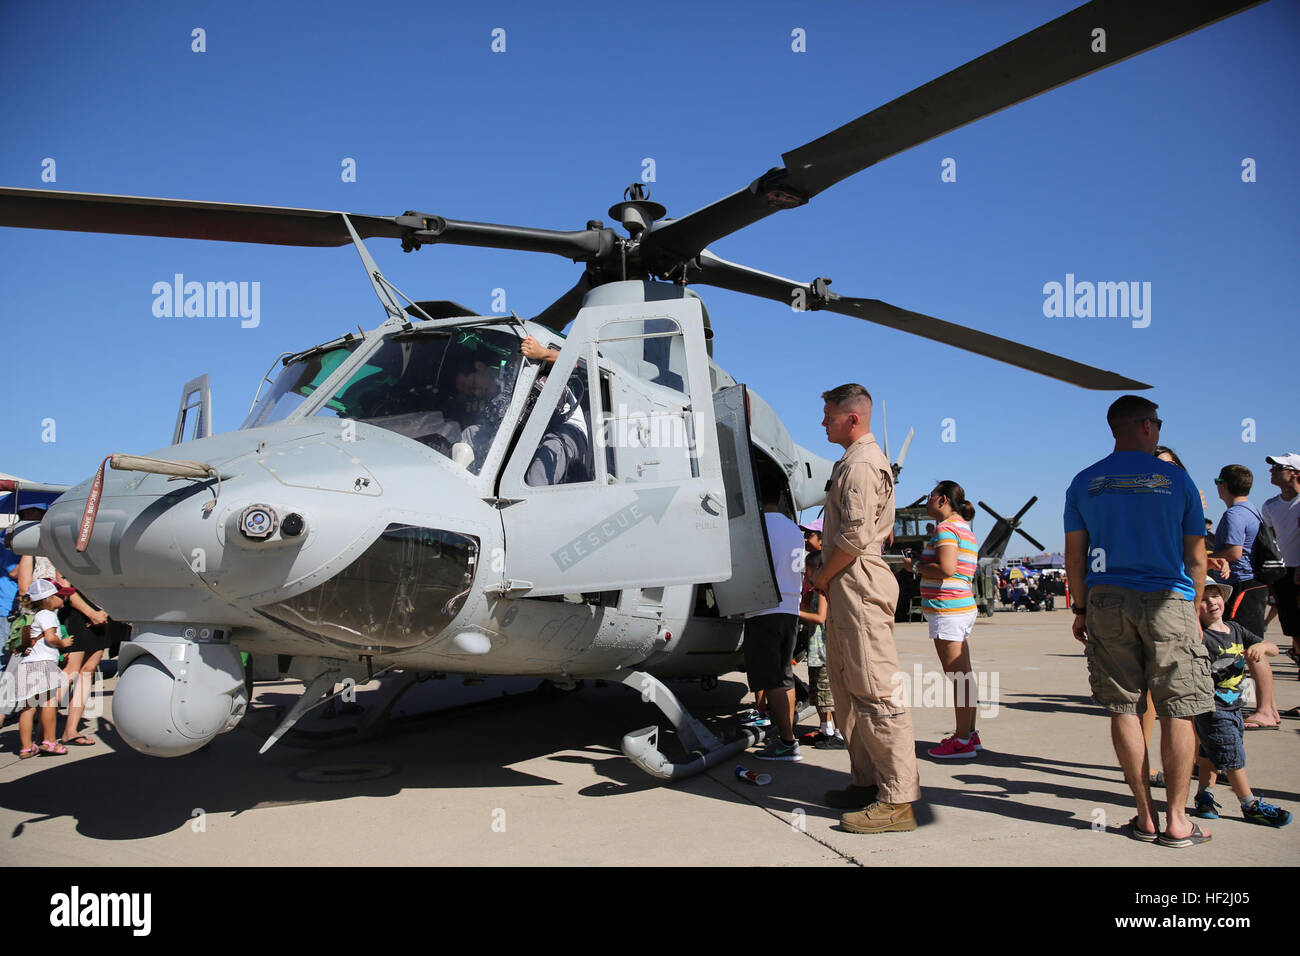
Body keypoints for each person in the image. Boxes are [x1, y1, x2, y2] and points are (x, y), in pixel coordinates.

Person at [1064, 395, 1212, 847]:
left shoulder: (1085, 482)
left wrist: (1082, 607)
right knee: (1179, 709)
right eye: (1159, 422)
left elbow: (1075, 554)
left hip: (1107, 600)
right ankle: (1178, 820)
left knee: (1124, 707)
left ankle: (1145, 816)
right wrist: (1196, 608)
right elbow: (1196, 557)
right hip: (1169, 599)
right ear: (1147, 427)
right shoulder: (1178, 480)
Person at [811, 384, 920, 833]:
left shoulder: (860, 464)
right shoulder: (852, 462)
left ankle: (897, 800)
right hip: (847, 582)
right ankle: (867, 781)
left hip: (855, 579)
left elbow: (854, 537)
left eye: (829, 414)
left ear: (851, 418)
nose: (823, 422)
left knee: (875, 690)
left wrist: (820, 576)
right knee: (847, 689)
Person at [1189, 577, 1290, 827]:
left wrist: (1263, 647)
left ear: (1223, 599)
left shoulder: (1235, 629)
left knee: (1210, 755)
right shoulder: (1199, 636)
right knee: (1233, 757)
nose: (1211, 602)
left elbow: (1274, 648)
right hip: (1212, 709)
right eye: (1202, 599)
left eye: (1214, 595)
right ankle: (1250, 804)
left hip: (1234, 707)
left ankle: (1204, 797)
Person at [915, 481, 982, 759]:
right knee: (964, 674)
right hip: (960, 606)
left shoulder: (946, 529)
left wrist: (917, 566)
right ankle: (970, 733)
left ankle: (963, 740)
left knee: (958, 677)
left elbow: (946, 568)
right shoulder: (964, 528)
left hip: (948, 608)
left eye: (930, 497)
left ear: (942, 500)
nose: (927, 501)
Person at [742, 485, 805, 761]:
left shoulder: (752, 526)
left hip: (763, 609)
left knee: (771, 680)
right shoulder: (795, 530)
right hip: (791, 608)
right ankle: (787, 735)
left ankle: (787, 742)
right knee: (785, 677)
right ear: (780, 497)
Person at [12, 579, 73, 758]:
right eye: (59, 595)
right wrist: (63, 643)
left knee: (28, 707)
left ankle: (26, 747)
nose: (63, 599)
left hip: (27, 664)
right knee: (49, 703)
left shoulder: (36, 615)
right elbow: (50, 637)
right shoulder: (48, 615)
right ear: (49, 599)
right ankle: (50, 742)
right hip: (43, 664)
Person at [1207, 464, 1268, 638]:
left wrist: (1203, 558)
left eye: (1217, 481)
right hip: (1250, 582)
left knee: (1246, 643)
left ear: (1223, 484)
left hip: (1239, 583)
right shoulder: (1251, 510)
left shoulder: (1235, 514)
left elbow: (1234, 552)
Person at [797, 520, 843, 749]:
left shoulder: (822, 592)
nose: (806, 579)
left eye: (807, 575)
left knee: (827, 694)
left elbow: (820, 618)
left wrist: (797, 612)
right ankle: (827, 731)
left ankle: (837, 734)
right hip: (816, 653)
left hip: (823, 652)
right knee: (818, 694)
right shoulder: (815, 591)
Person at [1260, 453, 1300, 665]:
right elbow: (1270, 539)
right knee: (1292, 624)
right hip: (1284, 572)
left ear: (1295, 473)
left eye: (1278, 467)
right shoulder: (1270, 505)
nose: (1271, 471)